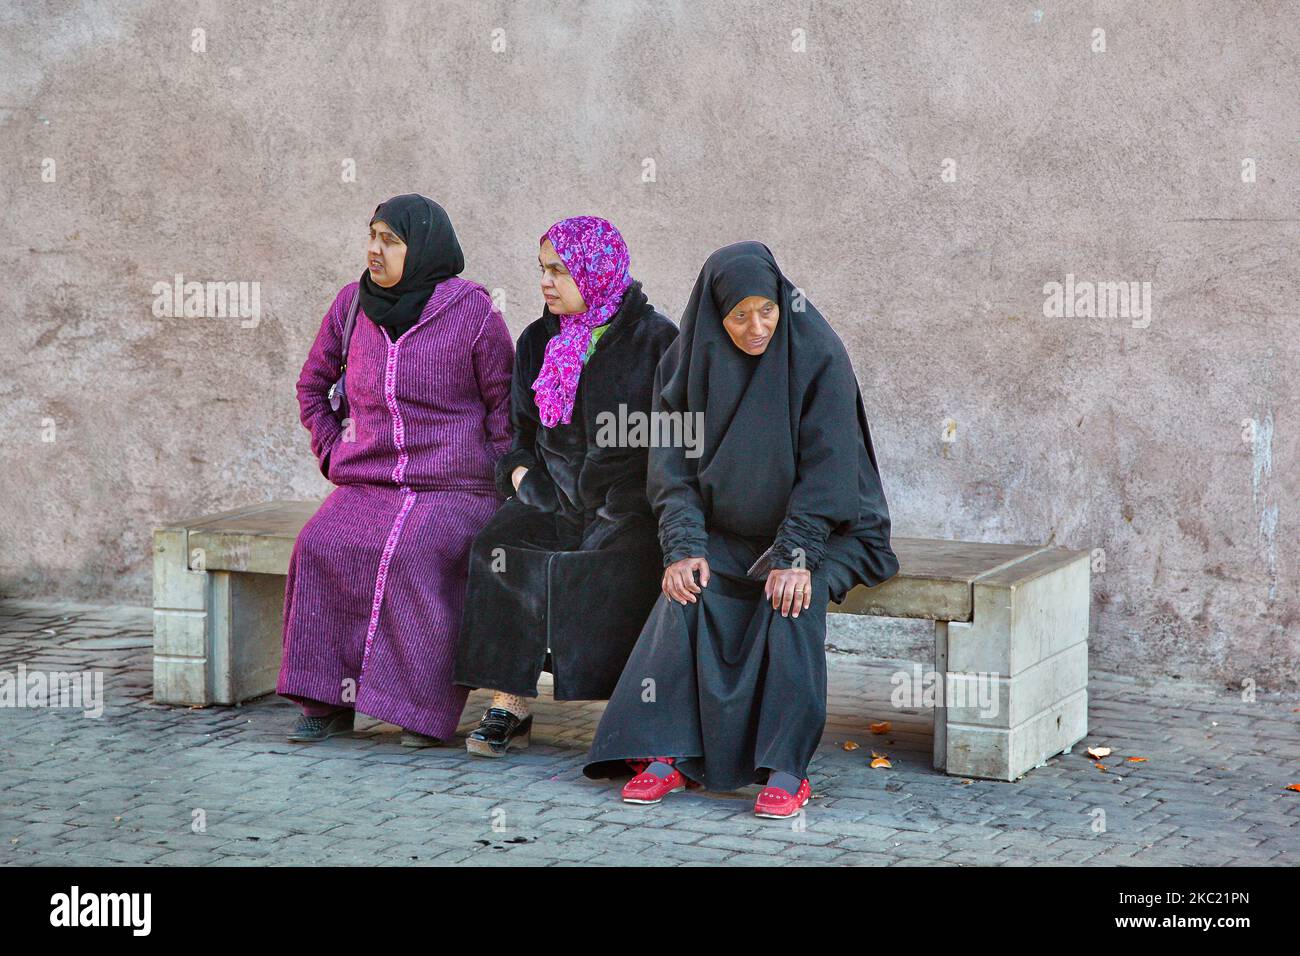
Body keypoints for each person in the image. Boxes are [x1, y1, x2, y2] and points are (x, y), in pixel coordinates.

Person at [582, 241, 899, 818]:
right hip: (730, 528)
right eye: (739, 316)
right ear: (714, 315)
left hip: (828, 527)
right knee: (685, 591)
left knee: (791, 598)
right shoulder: (686, 363)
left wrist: (796, 552)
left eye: (767, 310)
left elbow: (831, 469)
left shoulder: (817, 352)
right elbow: (670, 470)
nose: (756, 328)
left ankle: (785, 766)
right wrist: (683, 546)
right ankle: (666, 752)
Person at [277, 194, 514, 747]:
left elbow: (504, 405)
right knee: (319, 543)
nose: (375, 250)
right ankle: (325, 698)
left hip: (454, 485)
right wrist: (334, 450)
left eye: (392, 240)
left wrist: (505, 485)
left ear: (423, 248)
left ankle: (418, 708)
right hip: (369, 480)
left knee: (414, 552)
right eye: (372, 235)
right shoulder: (352, 305)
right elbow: (313, 386)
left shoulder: (473, 312)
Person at [453, 216, 678, 757]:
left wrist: (634, 498)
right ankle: (511, 699)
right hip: (549, 494)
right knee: (499, 548)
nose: (546, 282)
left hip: (625, 502)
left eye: (558, 270)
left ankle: (627, 707)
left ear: (594, 271)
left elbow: (672, 443)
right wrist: (521, 476)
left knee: (611, 561)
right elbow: (519, 435)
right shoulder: (536, 340)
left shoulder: (656, 340)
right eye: (543, 270)